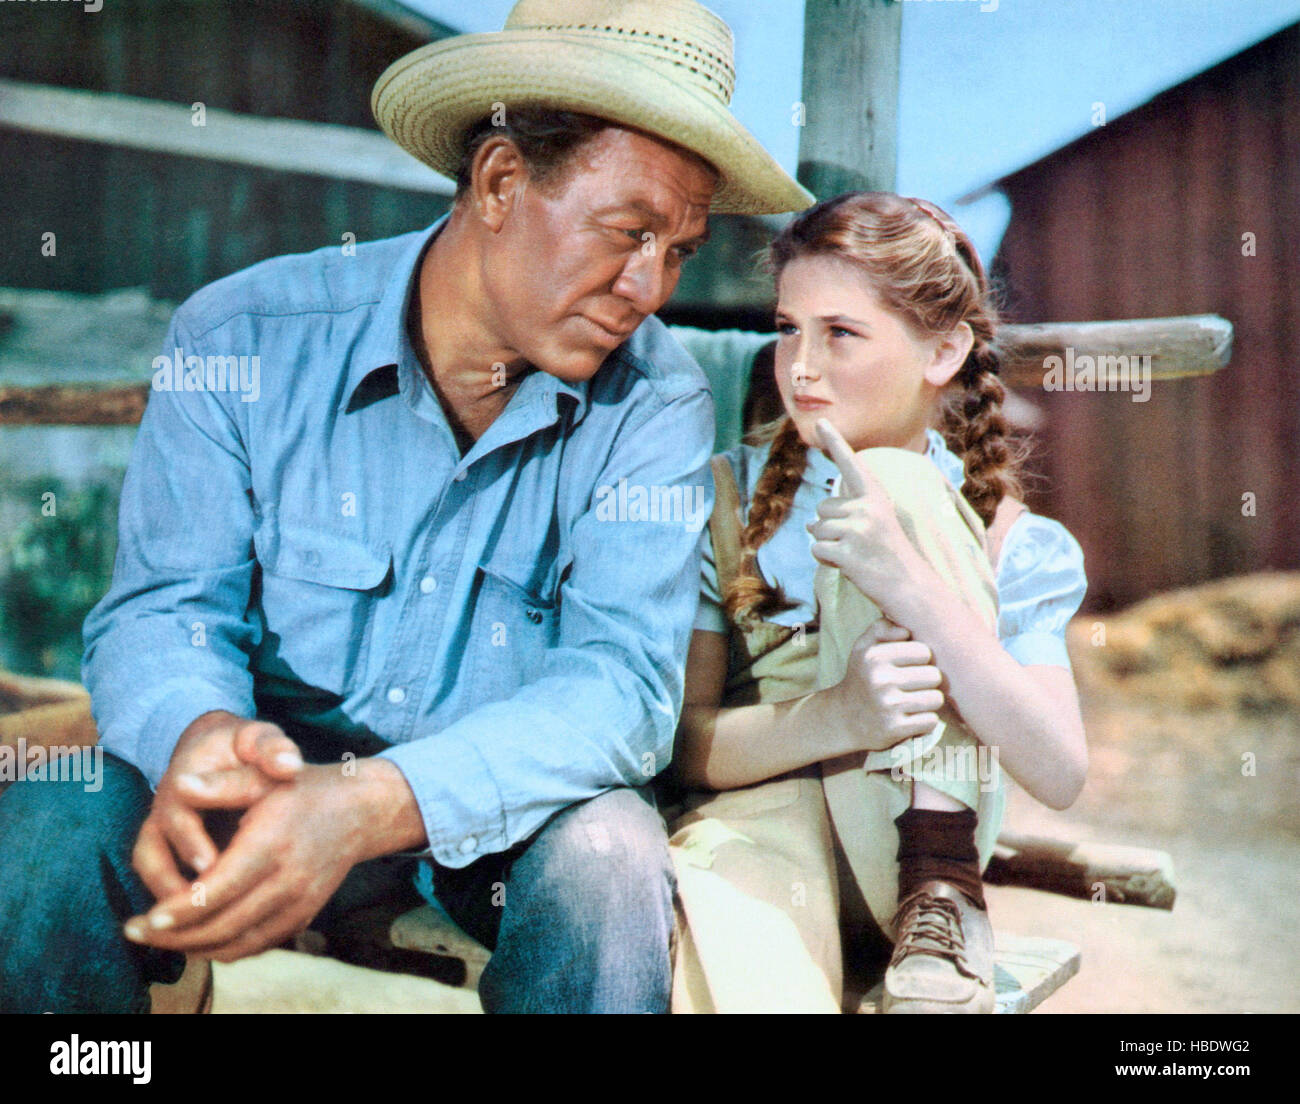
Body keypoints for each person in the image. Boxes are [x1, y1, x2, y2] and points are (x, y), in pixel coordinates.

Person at [0, 0, 813, 1014]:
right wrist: (197, 735)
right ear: (502, 181)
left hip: (488, 828)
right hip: (254, 793)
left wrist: (374, 803)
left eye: (680, 249)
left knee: (608, 856)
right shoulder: (242, 337)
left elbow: (621, 686)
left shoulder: (654, 400)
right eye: (629, 231)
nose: (650, 286)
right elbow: (164, 606)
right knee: (48, 824)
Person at [668, 192, 1089, 1014]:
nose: (801, 365)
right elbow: (685, 750)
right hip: (766, 839)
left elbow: (1059, 769)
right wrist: (842, 714)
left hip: (907, 864)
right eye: (789, 327)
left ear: (944, 350)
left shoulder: (1009, 537)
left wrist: (912, 586)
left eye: (841, 332)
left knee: (897, 484)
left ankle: (942, 883)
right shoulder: (725, 498)